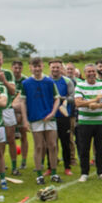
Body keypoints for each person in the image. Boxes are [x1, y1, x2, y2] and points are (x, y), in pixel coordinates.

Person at [19, 57, 61, 185]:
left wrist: (52, 113)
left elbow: (57, 99)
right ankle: (39, 175)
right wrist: (25, 120)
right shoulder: (26, 83)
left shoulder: (49, 82)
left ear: (42, 66)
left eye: (39, 66)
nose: (37, 69)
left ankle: (54, 173)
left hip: (50, 118)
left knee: (52, 145)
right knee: (38, 146)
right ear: (30, 68)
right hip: (35, 118)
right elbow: (22, 102)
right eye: (34, 66)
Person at [74, 64, 102, 182]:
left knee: (100, 148)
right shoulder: (80, 85)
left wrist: (97, 106)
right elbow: (78, 103)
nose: (91, 74)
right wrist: (95, 100)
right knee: (84, 148)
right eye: (89, 72)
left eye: (93, 71)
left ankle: (101, 172)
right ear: (85, 73)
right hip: (84, 122)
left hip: (100, 121)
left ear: (96, 72)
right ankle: (84, 173)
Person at [0, 51, 19, 175]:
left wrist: (4, 81)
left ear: (2, 60)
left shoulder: (8, 73)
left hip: (7, 109)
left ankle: (14, 166)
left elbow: (13, 91)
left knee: (11, 139)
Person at [48, 59, 74, 176]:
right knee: (50, 144)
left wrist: (61, 98)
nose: (55, 69)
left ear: (61, 68)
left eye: (57, 67)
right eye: (53, 67)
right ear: (50, 68)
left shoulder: (67, 81)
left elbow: (72, 97)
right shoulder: (46, 81)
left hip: (64, 116)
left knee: (65, 143)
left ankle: (67, 167)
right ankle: (50, 167)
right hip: (50, 116)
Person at [11, 60, 29, 170]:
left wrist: (22, 114)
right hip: (9, 111)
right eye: (15, 68)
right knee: (10, 138)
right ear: (12, 68)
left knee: (23, 136)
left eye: (19, 68)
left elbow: (26, 99)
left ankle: (24, 161)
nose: (17, 70)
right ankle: (11, 162)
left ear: (22, 68)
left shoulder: (25, 80)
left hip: (21, 110)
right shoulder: (9, 79)